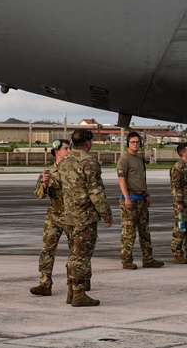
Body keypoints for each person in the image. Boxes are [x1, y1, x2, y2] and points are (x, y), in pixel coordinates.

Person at [58, 128, 113, 307]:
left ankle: (71, 291)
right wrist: (106, 214)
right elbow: (95, 192)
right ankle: (79, 294)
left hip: (69, 216)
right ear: (88, 142)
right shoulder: (89, 162)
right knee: (81, 257)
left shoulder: (64, 162)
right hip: (85, 216)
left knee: (73, 254)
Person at [117, 131, 164, 269]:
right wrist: (126, 197)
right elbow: (121, 179)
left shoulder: (139, 159)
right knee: (129, 232)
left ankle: (148, 258)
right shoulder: (124, 159)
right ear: (128, 143)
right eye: (133, 142)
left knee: (144, 231)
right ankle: (126, 260)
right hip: (130, 199)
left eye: (137, 142)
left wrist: (147, 195)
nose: (135, 144)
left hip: (141, 199)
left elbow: (142, 179)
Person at [30, 139, 71, 297]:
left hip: (71, 217)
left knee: (76, 251)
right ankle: (45, 283)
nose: (69, 152)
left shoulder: (74, 171)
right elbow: (38, 195)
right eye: (66, 149)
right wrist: (45, 185)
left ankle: (76, 282)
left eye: (69, 148)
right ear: (57, 152)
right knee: (47, 250)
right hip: (54, 216)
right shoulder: (47, 173)